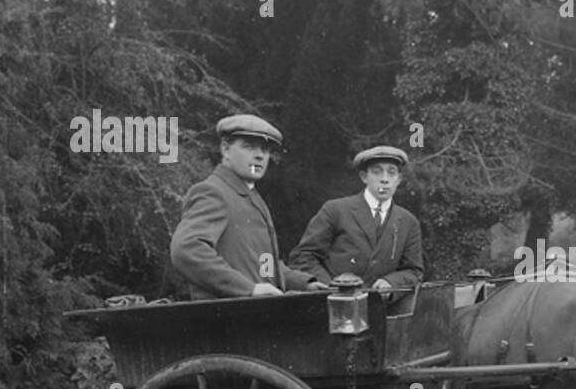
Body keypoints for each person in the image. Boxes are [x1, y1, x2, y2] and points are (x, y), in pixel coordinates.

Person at [170, 115, 326, 299]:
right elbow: (186, 250)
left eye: (265, 149)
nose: (260, 155)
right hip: (227, 318)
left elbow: (264, 264)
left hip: (257, 315)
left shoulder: (252, 197)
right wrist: (248, 289)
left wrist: (304, 284)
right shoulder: (213, 192)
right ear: (225, 150)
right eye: (249, 147)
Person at [289, 145, 424, 300]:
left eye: (391, 172)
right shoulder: (336, 209)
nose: (385, 179)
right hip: (334, 307)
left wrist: (391, 282)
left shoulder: (408, 222)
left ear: (399, 179)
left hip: (381, 310)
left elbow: (414, 271)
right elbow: (303, 256)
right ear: (364, 177)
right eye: (377, 171)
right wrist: (331, 288)